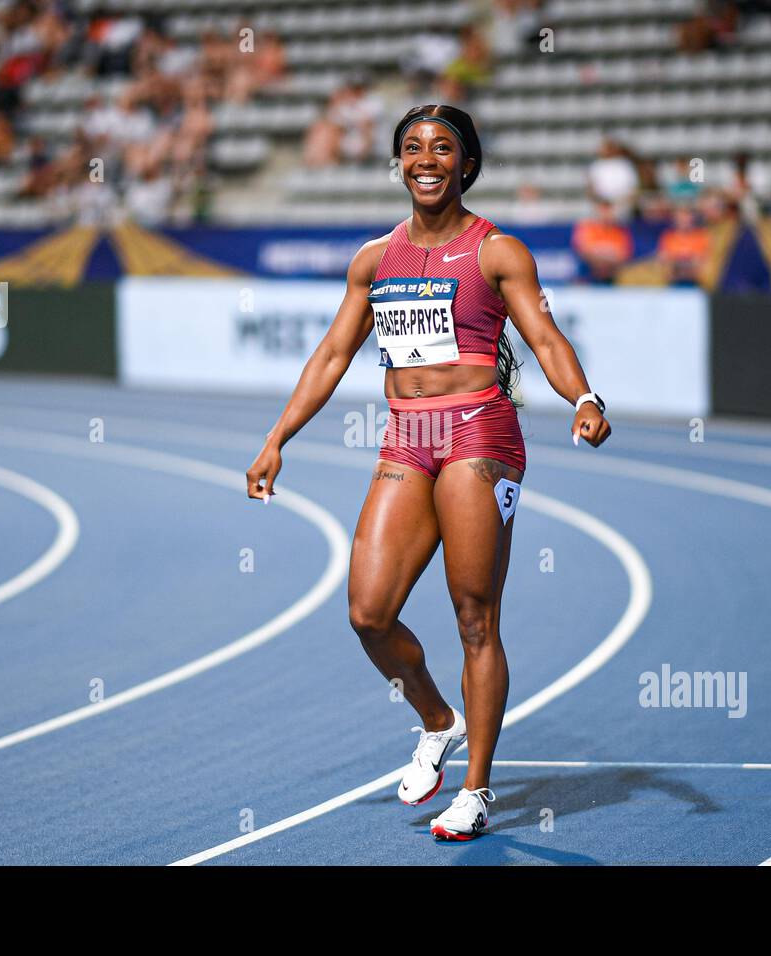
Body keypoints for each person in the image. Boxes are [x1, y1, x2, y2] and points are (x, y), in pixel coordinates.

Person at [245, 105, 611, 841]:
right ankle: (436, 720)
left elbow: (543, 335)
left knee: (476, 619)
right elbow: (329, 357)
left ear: (466, 164)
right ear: (398, 163)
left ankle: (476, 791)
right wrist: (278, 436)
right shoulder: (373, 259)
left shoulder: (497, 251)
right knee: (368, 612)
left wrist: (584, 397)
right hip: (406, 437)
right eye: (412, 148)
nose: (426, 159)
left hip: (480, 430)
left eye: (442, 148)